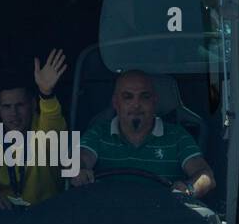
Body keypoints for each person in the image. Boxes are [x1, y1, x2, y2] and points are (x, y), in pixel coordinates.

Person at [73, 70, 215, 197]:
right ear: (116, 103)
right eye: (128, 97)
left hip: (164, 218)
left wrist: (189, 189)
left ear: (154, 101)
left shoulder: (177, 136)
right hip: (106, 217)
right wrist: (79, 170)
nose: (136, 104)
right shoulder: (98, 133)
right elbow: (79, 160)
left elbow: (206, 176)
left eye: (144, 96)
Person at [0, 49, 69, 210]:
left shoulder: (45, 132)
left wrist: (46, 93)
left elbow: (53, 120)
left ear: (32, 104)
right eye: (7, 106)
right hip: (5, 223)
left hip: (46, 218)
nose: (14, 114)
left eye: (20, 105)